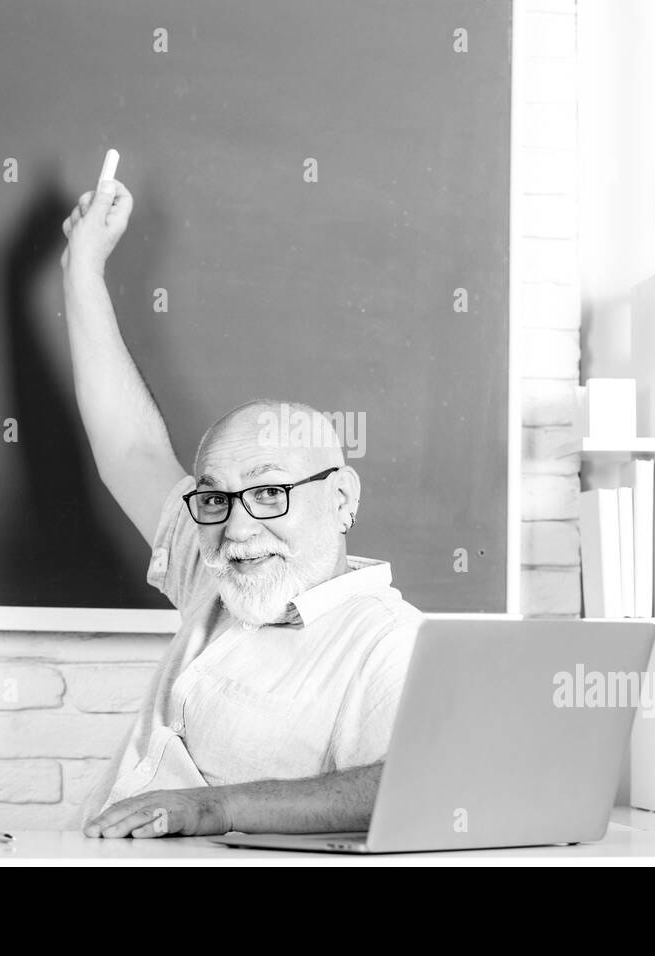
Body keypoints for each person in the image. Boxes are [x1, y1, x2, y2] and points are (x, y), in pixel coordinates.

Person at [60, 179, 420, 839]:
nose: (237, 527)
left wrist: (216, 809)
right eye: (215, 497)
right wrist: (82, 267)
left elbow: (415, 783)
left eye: (270, 492)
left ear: (342, 499)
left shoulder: (388, 642)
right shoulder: (222, 577)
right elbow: (131, 448)